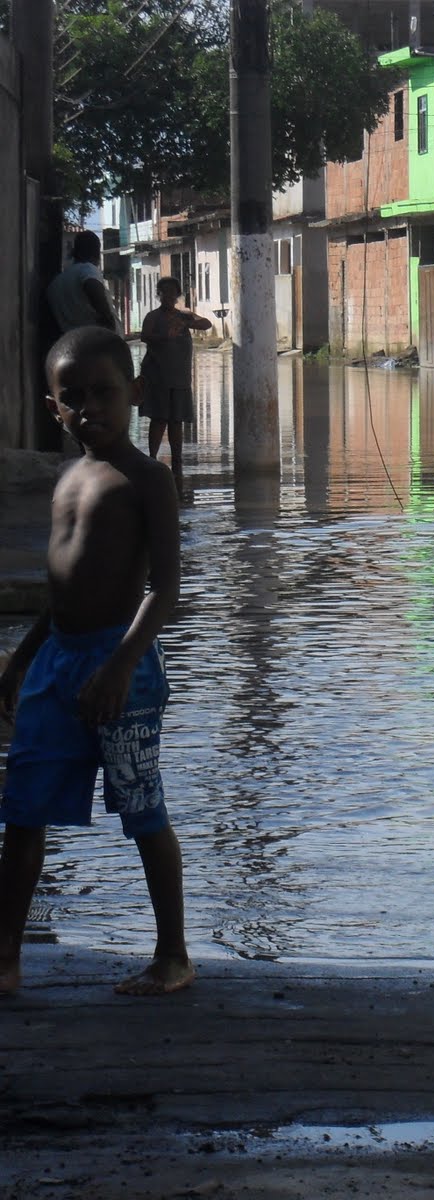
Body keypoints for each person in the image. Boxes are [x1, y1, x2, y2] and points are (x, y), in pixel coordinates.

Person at [0, 326, 192, 998]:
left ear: (135, 392)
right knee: (23, 806)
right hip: (57, 665)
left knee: (143, 809)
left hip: (124, 668)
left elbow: (163, 589)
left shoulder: (148, 479)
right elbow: (61, 591)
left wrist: (118, 664)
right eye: (72, 398)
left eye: (104, 393)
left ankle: (173, 954)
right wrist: (22, 658)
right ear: (54, 408)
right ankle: (6, 959)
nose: (90, 408)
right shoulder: (69, 475)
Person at [140, 276, 212, 490]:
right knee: (159, 417)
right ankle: (152, 458)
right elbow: (145, 336)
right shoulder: (153, 316)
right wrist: (166, 335)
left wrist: (186, 322)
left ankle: (177, 461)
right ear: (159, 295)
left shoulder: (184, 316)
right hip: (158, 375)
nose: (169, 296)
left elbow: (206, 324)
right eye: (164, 292)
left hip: (180, 377)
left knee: (176, 419)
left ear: (178, 295)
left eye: (173, 292)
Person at [45, 230, 120, 336]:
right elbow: (92, 284)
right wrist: (109, 322)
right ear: (96, 253)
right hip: (99, 344)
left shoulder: (56, 283)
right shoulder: (87, 269)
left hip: (73, 345)